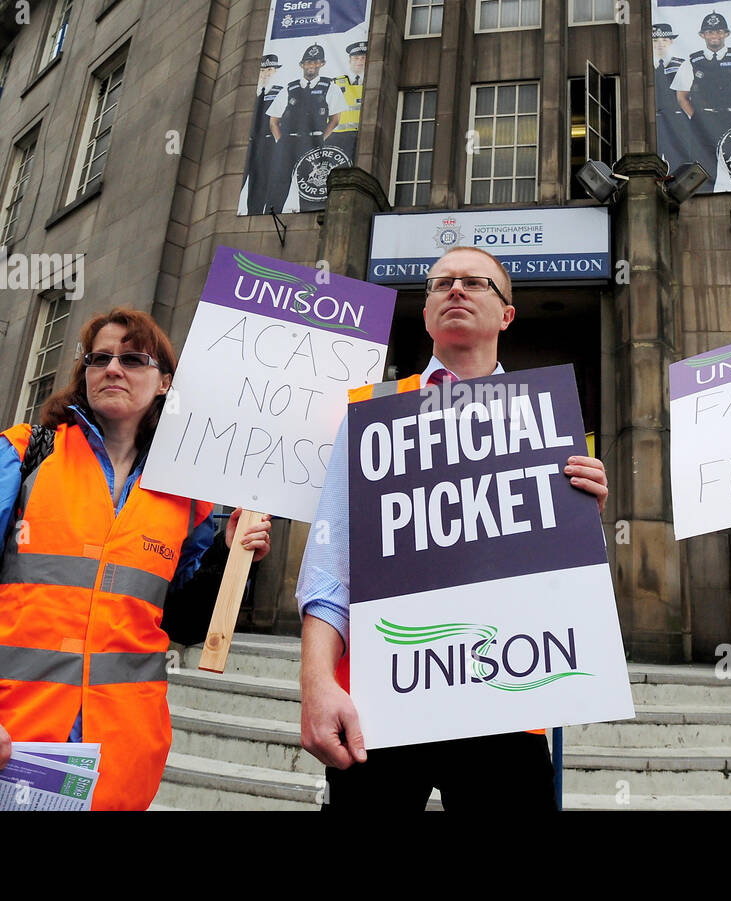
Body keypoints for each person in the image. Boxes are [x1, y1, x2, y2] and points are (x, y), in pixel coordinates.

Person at [0, 308, 273, 810]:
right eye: (100, 357)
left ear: (165, 382)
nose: (112, 368)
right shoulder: (19, 457)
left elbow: (181, 621)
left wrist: (226, 555)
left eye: (133, 358)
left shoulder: (188, 501)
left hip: (112, 770)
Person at [296, 246, 610, 811]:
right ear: (425, 311)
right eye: (441, 283)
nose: (456, 290)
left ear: (507, 314)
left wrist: (584, 519)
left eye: (475, 283)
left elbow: (565, 587)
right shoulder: (375, 413)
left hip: (507, 702)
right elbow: (330, 563)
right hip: (384, 700)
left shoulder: (545, 420)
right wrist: (317, 681)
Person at [671, 11, 731, 177]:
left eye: (719, 31)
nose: (715, 36)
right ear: (703, 35)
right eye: (710, 32)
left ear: (726, 34)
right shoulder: (692, 61)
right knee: (705, 172)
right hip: (705, 122)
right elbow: (682, 97)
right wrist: (696, 119)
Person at [266, 43, 347, 212]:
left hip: (313, 141)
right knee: (278, 182)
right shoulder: (290, 88)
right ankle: (270, 215)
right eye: (308, 62)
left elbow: (335, 119)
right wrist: (282, 141)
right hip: (289, 140)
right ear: (302, 65)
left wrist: (321, 138)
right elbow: (273, 120)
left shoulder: (329, 87)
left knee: (311, 183)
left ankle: (309, 219)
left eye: (316, 62)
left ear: (322, 64)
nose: (312, 65)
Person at [238, 53, 285, 216]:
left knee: (260, 185)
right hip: (246, 144)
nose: (266, 73)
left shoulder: (281, 93)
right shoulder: (249, 95)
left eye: (270, 69)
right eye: (263, 70)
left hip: (267, 144)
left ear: (276, 72)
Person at [652, 23, 694, 175]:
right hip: (654, 120)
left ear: (671, 41)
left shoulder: (682, 65)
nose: (660, 44)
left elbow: (690, 95)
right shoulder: (647, 67)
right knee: (653, 165)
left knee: (680, 162)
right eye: (655, 40)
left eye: (664, 40)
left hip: (678, 120)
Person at [326, 41, 367, 161]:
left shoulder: (374, 82)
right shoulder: (335, 83)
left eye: (363, 58)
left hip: (364, 137)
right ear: (350, 60)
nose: (359, 61)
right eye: (356, 58)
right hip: (337, 139)